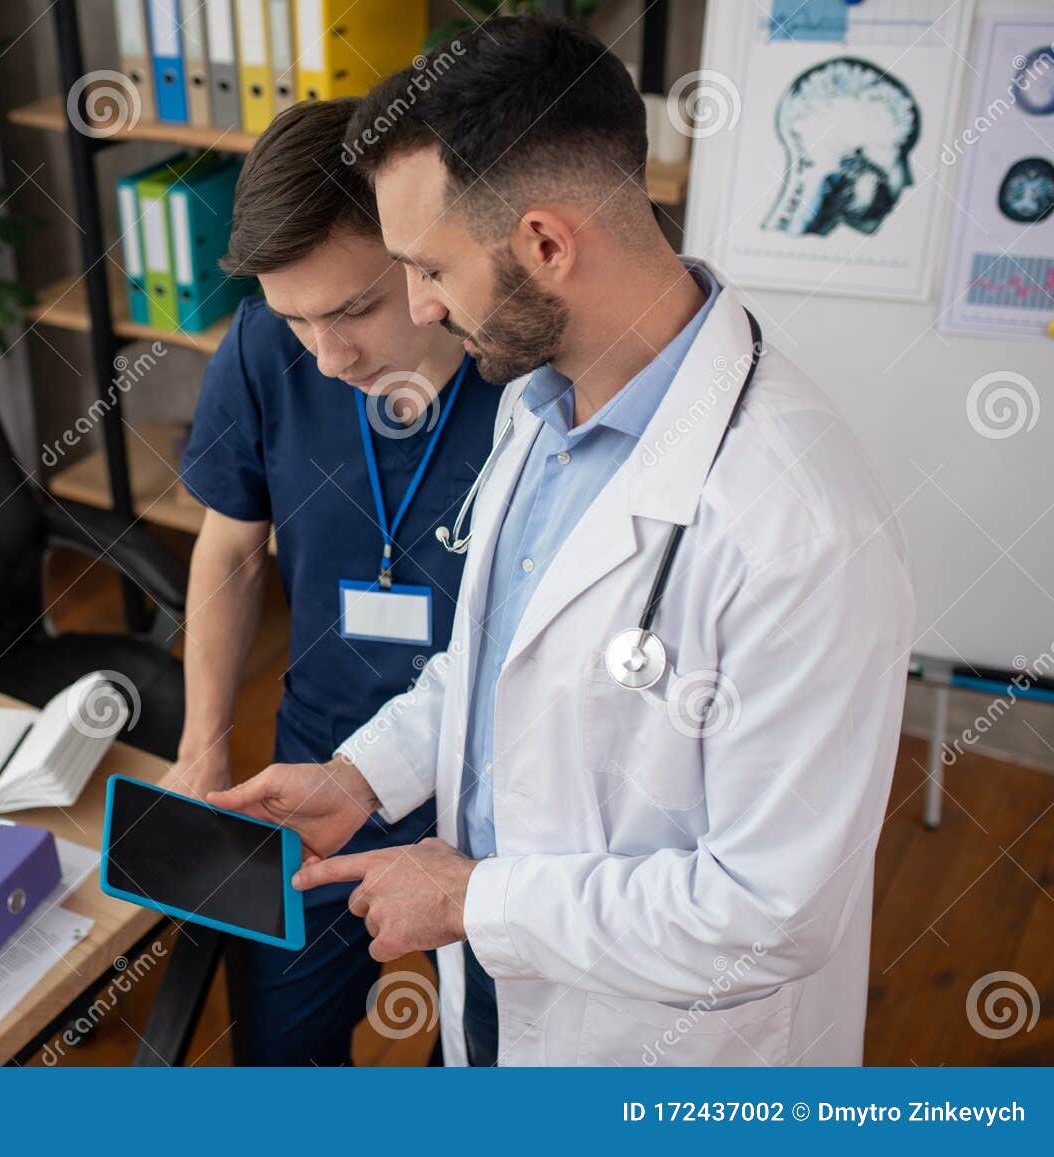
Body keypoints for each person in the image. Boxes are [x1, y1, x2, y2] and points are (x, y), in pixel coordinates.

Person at [210, 16, 915, 1067]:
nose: (419, 307)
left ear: (543, 244)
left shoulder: (797, 527)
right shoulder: (539, 406)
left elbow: (770, 908)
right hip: (507, 1008)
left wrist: (476, 896)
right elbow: (490, 670)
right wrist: (361, 774)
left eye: (427, 269)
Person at [168, 97, 502, 1065]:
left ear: (422, 250)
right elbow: (229, 552)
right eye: (296, 318)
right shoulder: (264, 349)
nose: (329, 355)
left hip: (489, 782)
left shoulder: (528, 376)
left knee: (480, 1059)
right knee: (279, 1049)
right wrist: (199, 751)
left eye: (355, 308)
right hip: (317, 760)